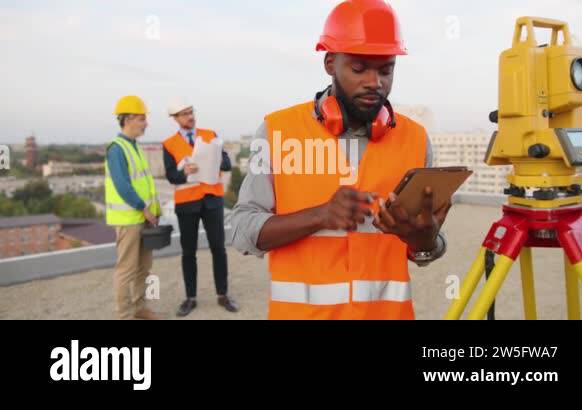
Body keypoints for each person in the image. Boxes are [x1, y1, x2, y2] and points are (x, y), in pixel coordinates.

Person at [232, 0, 452, 320]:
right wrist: (319, 216)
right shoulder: (276, 131)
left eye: (385, 70)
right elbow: (240, 230)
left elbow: (426, 249)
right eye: (359, 68)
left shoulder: (416, 139)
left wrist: (424, 240)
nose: (374, 82)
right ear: (330, 63)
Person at [163, 98, 239, 317]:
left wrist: (214, 160)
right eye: (184, 113)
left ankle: (223, 294)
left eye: (191, 111)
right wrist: (184, 172)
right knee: (189, 252)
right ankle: (190, 298)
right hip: (187, 203)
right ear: (175, 119)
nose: (190, 116)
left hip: (212, 200)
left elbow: (226, 163)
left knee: (219, 248)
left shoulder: (210, 135)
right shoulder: (168, 144)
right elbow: (170, 176)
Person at [105, 95, 161, 320]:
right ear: (127, 119)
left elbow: (144, 182)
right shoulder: (117, 149)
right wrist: (143, 208)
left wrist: (153, 210)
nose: (145, 123)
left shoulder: (134, 146)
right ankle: (124, 315)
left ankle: (140, 309)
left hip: (143, 218)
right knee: (126, 270)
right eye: (141, 119)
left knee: (143, 268)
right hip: (128, 220)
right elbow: (122, 185)